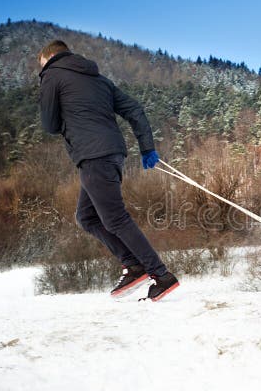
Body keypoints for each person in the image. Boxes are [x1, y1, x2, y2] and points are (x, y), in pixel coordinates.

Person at [38, 40, 179, 301]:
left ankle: (161, 275)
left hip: (92, 156)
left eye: (40, 65)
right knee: (87, 217)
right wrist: (147, 147)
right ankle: (133, 264)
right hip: (112, 154)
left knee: (115, 219)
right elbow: (134, 109)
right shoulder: (100, 80)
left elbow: (49, 124)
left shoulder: (51, 75)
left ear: (47, 59)